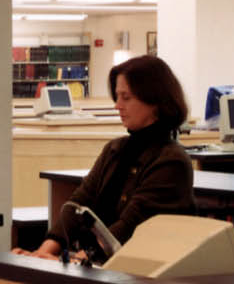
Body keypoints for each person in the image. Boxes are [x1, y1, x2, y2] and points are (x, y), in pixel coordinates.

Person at [14, 54, 195, 262]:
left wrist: (76, 262)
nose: (117, 105)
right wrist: (45, 251)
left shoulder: (171, 161)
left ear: (154, 100)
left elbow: (129, 227)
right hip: (99, 266)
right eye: (117, 97)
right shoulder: (114, 149)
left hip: (137, 272)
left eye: (126, 98)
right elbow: (79, 203)